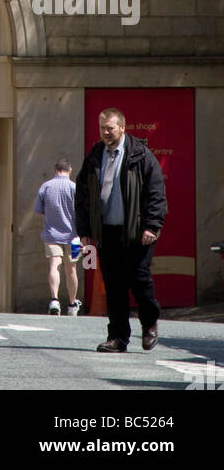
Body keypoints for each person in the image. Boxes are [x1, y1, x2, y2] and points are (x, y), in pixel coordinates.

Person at [75, 107, 167, 353]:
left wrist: (152, 225)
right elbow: (82, 193)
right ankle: (118, 338)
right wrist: (84, 229)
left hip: (137, 232)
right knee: (114, 287)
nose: (106, 132)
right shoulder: (95, 155)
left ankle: (149, 323)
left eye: (110, 128)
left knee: (140, 282)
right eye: (102, 128)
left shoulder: (141, 155)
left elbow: (156, 193)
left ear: (123, 128)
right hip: (107, 232)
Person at [33, 158, 81, 317]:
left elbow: (38, 211)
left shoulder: (45, 186)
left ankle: (54, 300)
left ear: (55, 169)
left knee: (54, 265)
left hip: (51, 234)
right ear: (70, 170)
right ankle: (72, 304)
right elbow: (82, 212)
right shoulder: (75, 188)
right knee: (72, 268)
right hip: (74, 237)